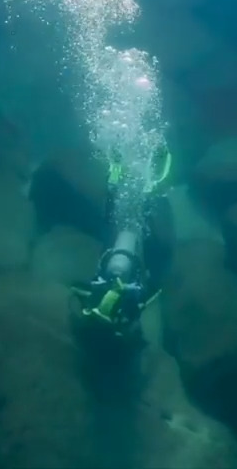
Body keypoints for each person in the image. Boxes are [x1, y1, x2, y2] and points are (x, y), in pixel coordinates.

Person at [71, 143, 174, 339]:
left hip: (123, 258)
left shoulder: (123, 315)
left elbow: (151, 294)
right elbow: (78, 289)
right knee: (116, 223)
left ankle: (131, 178)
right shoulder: (108, 308)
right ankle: (119, 175)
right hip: (114, 257)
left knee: (126, 222)